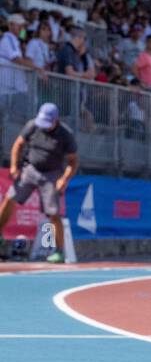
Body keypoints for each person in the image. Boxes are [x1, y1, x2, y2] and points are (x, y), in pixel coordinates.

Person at [0, 103, 78, 262]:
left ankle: (59, 251)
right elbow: (18, 145)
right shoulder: (33, 125)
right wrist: (14, 166)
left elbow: (73, 161)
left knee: (53, 213)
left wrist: (64, 179)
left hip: (52, 174)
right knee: (10, 199)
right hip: (31, 169)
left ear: (56, 120)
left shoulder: (66, 135)